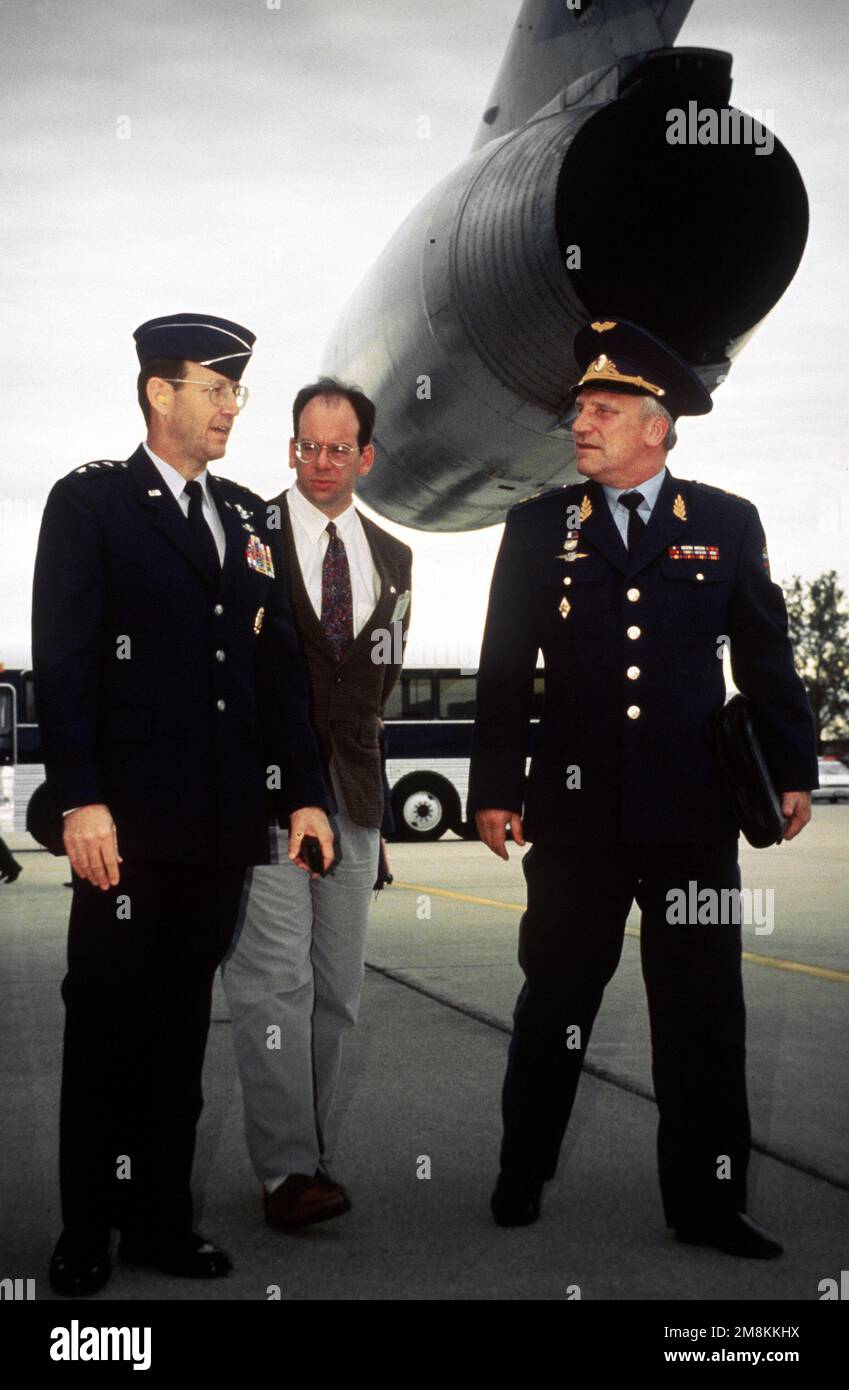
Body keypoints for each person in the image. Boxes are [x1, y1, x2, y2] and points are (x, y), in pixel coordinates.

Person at [468, 319, 818, 1257]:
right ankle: (522, 1171)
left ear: (656, 427)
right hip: (576, 821)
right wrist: (494, 789)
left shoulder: (724, 522)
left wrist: (791, 766)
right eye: (581, 408)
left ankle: (707, 1203)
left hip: (693, 818)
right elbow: (504, 671)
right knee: (555, 1002)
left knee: (703, 1011)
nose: (581, 423)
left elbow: (765, 657)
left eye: (603, 409)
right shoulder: (541, 526)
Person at [31, 313, 333, 1297]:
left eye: (238, 392)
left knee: (175, 1032)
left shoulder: (247, 519)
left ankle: (160, 1219)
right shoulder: (94, 506)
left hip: (215, 830)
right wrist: (80, 798)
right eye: (216, 389)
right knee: (106, 1025)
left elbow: (279, 671)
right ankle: (87, 1229)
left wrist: (304, 796)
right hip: (123, 833)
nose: (232, 408)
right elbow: (66, 665)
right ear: (160, 392)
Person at [222, 378, 412, 1230]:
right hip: (265, 792)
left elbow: (377, 682)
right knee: (272, 983)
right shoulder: (243, 535)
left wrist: (360, 790)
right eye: (308, 445)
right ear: (289, 447)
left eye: (340, 448)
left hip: (357, 798)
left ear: (365, 456)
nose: (322, 462)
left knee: (337, 990)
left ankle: (311, 1148)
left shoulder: (394, 559)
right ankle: (286, 1170)